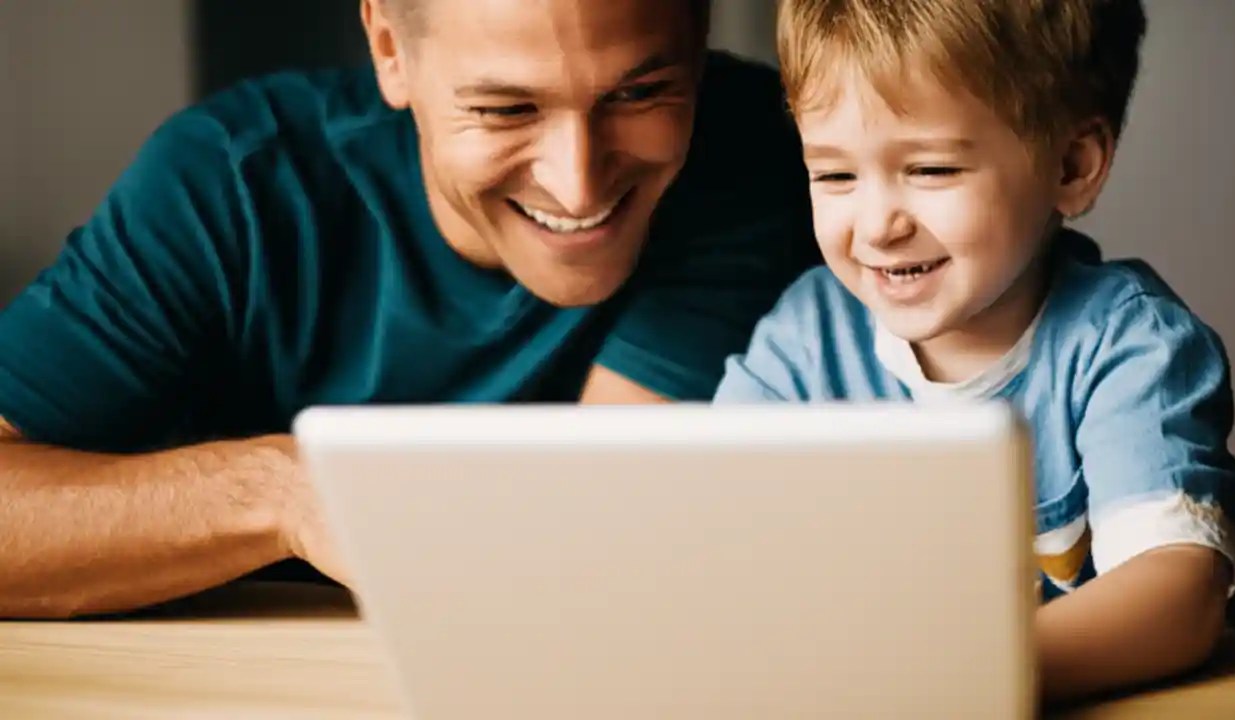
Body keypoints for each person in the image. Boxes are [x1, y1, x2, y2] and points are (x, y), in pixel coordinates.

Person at [0, 0, 818, 618]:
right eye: (506, 109)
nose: (580, 183)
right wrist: (287, 492)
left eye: (639, 93)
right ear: (390, 49)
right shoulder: (233, 184)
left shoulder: (760, 156)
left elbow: (583, 533)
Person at [714, 0, 1235, 703]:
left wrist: (953, 680)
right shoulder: (804, 337)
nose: (876, 226)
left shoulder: (1129, 346)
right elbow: (712, 542)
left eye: (931, 170)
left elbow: (1178, 592)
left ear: (1071, 165)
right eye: (836, 176)